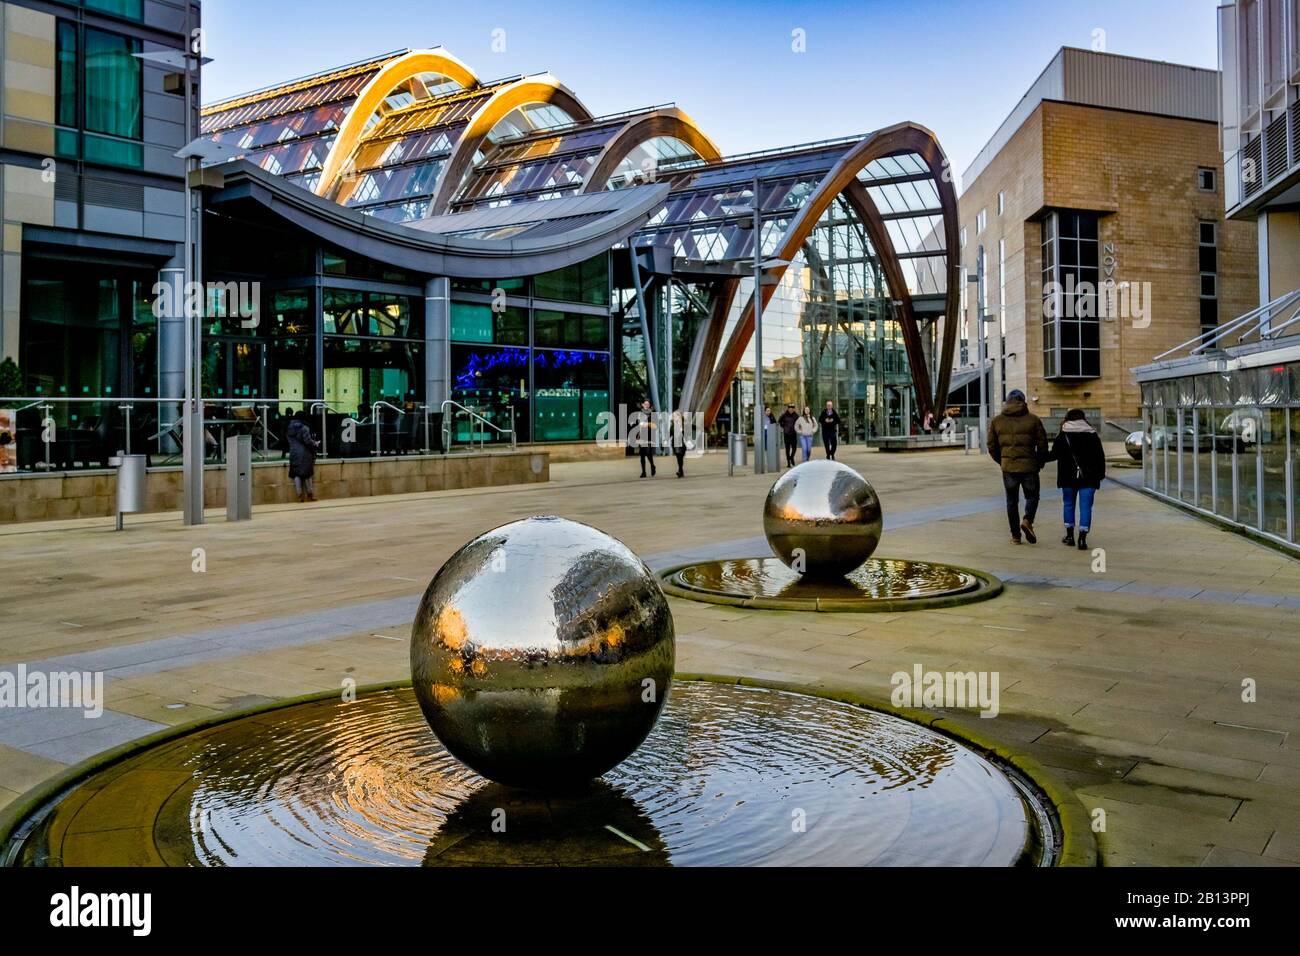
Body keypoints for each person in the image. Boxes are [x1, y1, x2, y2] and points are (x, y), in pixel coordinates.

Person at [988, 388, 1049, 544]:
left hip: (1009, 468)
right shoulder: (1033, 420)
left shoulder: (997, 421)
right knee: (1033, 496)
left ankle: (1015, 536)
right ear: (1023, 402)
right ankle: (1028, 520)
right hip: (1029, 467)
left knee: (1011, 501)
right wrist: (1039, 461)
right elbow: (1043, 445)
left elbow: (991, 446)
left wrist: (1002, 461)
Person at [1050, 408, 1106, 550]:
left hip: (1067, 477)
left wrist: (1036, 458)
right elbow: (1100, 457)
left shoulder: (1063, 435)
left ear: (1067, 418)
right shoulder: (1092, 435)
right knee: (1086, 507)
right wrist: (1100, 475)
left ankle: (1070, 536)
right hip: (1089, 478)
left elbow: (1053, 454)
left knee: (1068, 504)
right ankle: (1082, 539)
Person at [287, 409, 320, 502]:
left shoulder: (289, 427)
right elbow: (307, 441)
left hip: (293, 452)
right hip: (304, 453)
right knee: (307, 474)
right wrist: (315, 443)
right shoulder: (304, 428)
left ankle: (299, 495)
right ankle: (310, 494)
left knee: (296, 474)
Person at [631, 399, 657, 478]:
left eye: (647, 404)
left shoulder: (652, 413)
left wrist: (647, 424)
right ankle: (643, 472)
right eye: (645, 404)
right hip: (641, 435)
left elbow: (655, 426)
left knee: (648, 452)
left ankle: (652, 466)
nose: (646, 405)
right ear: (642, 405)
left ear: (649, 405)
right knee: (642, 454)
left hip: (649, 435)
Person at [777, 403, 799, 468]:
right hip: (786, 434)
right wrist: (783, 426)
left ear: (794, 409)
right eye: (790, 408)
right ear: (788, 408)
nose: (791, 409)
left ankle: (791, 457)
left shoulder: (796, 416)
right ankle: (788, 462)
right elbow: (779, 421)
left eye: (792, 408)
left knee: (794, 448)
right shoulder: (784, 415)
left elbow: (799, 423)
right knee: (787, 449)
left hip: (793, 433)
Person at [669, 408, 688, 478]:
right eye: (674, 416)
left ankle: (681, 470)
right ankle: (680, 471)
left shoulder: (684, 424)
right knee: (678, 457)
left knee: (680, 458)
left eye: (677, 415)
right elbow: (669, 434)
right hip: (675, 443)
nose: (675, 417)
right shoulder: (672, 426)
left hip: (683, 443)